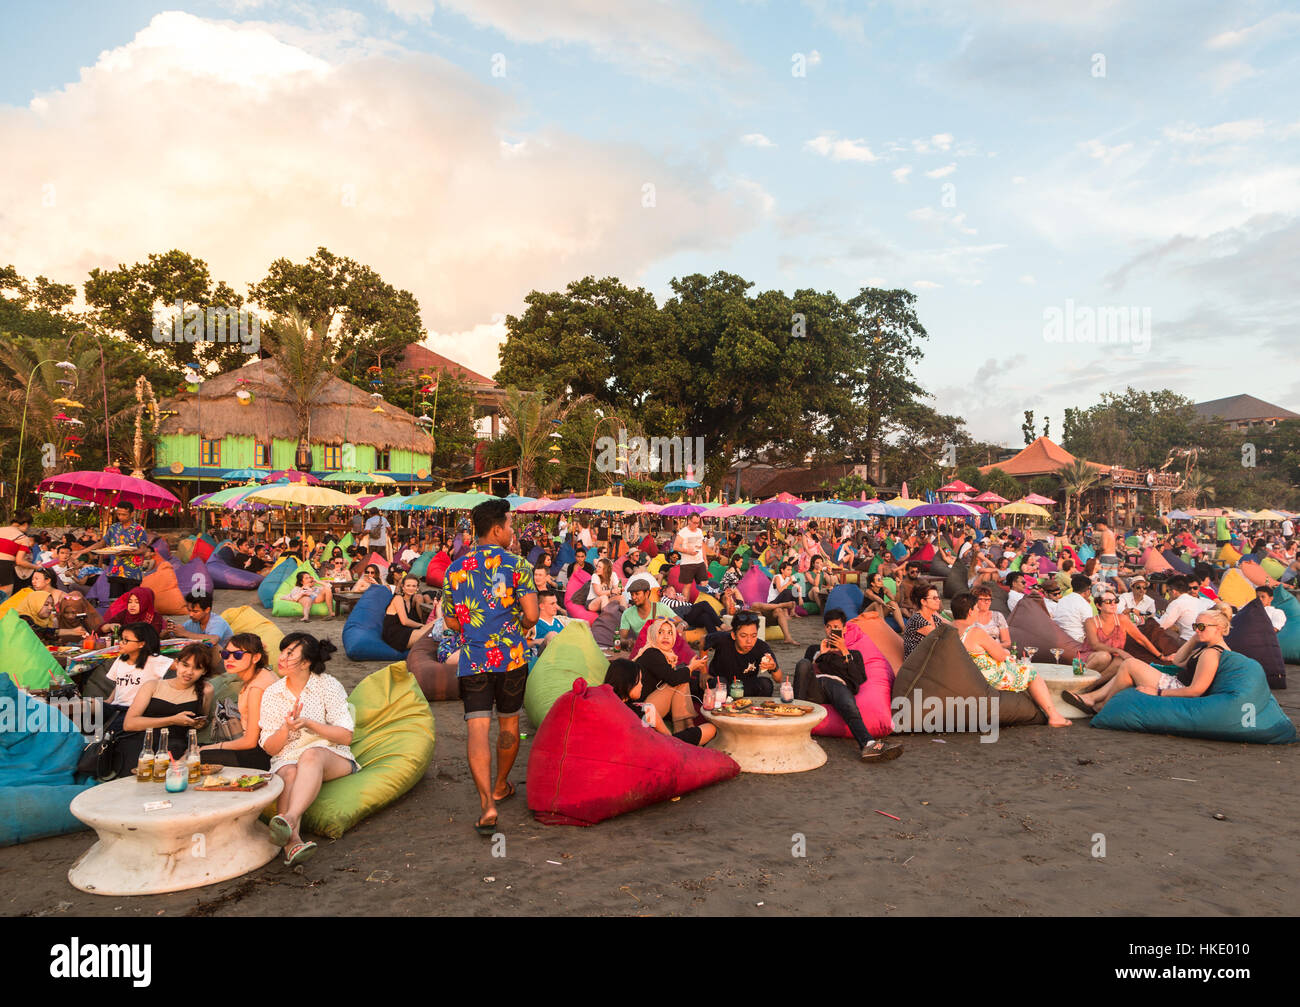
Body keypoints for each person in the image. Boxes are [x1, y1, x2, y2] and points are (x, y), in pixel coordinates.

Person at [442, 499, 537, 836]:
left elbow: (451, 620)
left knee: (477, 729)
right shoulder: (518, 565)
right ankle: (500, 785)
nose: (512, 532)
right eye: (510, 526)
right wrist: (518, 625)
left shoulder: (455, 569)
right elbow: (533, 615)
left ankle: (487, 804)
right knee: (509, 723)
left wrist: (474, 628)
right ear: (497, 530)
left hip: (475, 660)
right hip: (511, 657)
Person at [259, 634, 357, 866]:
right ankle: (293, 844)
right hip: (287, 757)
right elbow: (271, 749)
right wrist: (286, 728)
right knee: (290, 772)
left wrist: (309, 723)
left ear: (305, 663)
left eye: (290, 654)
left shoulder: (327, 685)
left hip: (331, 755)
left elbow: (345, 736)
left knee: (310, 755)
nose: (281, 658)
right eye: (282, 651)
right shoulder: (272, 693)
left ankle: (289, 819)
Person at [1064, 603, 1234, 714]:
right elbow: (1177, 661)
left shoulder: (1212, 654)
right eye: (1195, 626)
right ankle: (1097, 702)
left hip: (1178, 689)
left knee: (1130, 664)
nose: (1197, 630)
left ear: (1218, 628)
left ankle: (1095, 700)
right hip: (1176, 681)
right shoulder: (1207, 647)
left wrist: (1158, 692)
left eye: (1201, 627)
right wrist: (1194, 639)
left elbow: (1196, 690)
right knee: (1128, 665)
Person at [792, 609, 903, 761]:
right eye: (829, 627)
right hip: (815, 687)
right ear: (825, 628)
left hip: (838, 686)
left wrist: (844, 651)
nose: (832, 630)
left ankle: (868, 743)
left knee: (846, 702)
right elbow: (804, 675)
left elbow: (857, 680)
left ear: (844, 629)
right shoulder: (814, 649)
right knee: (803, 663)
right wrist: (821, 656)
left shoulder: (854, 654)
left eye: (836, 627)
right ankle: (794, 729)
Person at [949, 594, 1071, 727]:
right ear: (970, 611)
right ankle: (1054, 715)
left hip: (964, 673)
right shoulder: (975, 632)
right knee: (1031, 673)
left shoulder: (948, 628)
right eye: (976, 608)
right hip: (986, 677)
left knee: (1014, 663)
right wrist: (1006, 654)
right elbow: (1000, 656)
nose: (978, 611)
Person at [116, 642, 217, 776]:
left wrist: (198, 724)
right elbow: (129, 724)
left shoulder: (206, 690)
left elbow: (201, 723)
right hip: (140, 743)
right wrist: (172, 720)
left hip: (175, 747)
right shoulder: (153, 685)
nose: (189, 672)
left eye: (197, 668)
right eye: (185, 665)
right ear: (177, 663)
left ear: (204, 671)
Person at [202, 633, 276, 769]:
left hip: (260, 755)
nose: (229, 660)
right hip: (255, 747)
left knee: (197, 756)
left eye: (237, 655)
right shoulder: (263, 672)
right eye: (225, 654)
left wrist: (211, 748)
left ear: (256, 657)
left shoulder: (257, 688)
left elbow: (250, 742)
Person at [605, 657, 715, 747]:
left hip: (645, 744)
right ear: (628, 683)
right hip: (658, 747)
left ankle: (686, 727)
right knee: (710, 729)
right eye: (639, 682)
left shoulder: (604, 701)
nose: (641, 685)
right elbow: (669, 742)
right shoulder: (645, 710)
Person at [633, 618, 709, 734]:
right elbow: (673, 679)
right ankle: (686, 727)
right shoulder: (652, 654)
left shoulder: (665, 656)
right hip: (642, 713)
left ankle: (683, 728)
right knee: (680, 678)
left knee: (681, 677)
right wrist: (691, 667)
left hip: (650, 708)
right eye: (660, 632)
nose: (666, 636)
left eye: (670, 633)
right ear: (653, 635)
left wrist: (688, 669)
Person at [1078, 588, 1165, 679]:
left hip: (1113, 658)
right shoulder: (1091, 622)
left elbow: (1141, 639)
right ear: (1099, 606)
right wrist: (1118, 651)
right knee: (1104, 656)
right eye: (1108, 601)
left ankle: (1089, 687)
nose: (1113, 604)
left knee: (1121, 662)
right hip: (1093, 657)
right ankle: (1077, 680)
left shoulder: (1122, 619)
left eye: (1115, 601)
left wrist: (1161, 656)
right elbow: (1095, 645)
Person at [77, 503, 151, 598]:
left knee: (130, 602)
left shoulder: (138, 529)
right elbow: (102, 543)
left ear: (132, 514)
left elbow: (143, 550)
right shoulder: (114, 528)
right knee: (114, 602)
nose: (120, 517)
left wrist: (126, 552)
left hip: (132, 574)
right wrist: (83, 551)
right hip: (115, 572)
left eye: (124, 514)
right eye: (119, 514)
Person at [706, 611, 781, 697]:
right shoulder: (722, 639)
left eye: (753, 635)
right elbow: (703, 640)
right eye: (743, 636)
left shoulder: (761, 647)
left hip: (745, 685)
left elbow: (778, 679)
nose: (749, 641)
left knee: (766, 684)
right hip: (722, 684)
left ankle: (755, 709)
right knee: (720, 683)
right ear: (734, 635)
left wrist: (773, 667)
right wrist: (704, 672)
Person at [619, 574, 677, 650]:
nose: (633, 597)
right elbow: (621, 639)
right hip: (644, 649)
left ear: (647, 593)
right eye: (632, 595)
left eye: (637, 594)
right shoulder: (627, 613)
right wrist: (628, 642)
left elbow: (678, 621)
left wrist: (681, 625)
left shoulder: (660, 607)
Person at [383, 574, 429, 652]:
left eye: (414, 586)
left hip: (406, 632)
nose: (411, 588)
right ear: (403, 587)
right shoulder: (398, 598)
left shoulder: (410, 601)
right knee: (430, 633)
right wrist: (422, 625)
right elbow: (404, 621)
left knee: (437, 623)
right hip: (395, 636)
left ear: (417, 588)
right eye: (408, 586)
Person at [1156, 575, 1207, 642]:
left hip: (1189, 641)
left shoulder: (1177, 603)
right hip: (1203, 639)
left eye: (1168, 591)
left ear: (1173, 591)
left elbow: (1162, 625)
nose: (1168, 594)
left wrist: (1151, 617)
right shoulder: (1198, 601)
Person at [902, 583, 945, 658]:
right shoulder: (917, 620)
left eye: (938, 598)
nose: (938, 601)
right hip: (917, 664)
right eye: (934, 598)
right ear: (923, 602)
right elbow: (942, 639)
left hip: (930, 659)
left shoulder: (935, 619)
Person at [1052, 574, 1096, 643]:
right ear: (1087, 590)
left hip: (1058, 638)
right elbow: (1089, 629)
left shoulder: (1062, 600)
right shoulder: (1084, 604)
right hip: (1076, 640)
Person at [673, 512, 709, 587]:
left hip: (699, 561)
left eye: (698, 523)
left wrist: (705, 560)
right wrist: (688, 551)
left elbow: (702, 546)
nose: (696, 525)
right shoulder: (683, 532)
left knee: (705, 583)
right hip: (687, 563)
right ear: (689, 521)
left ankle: (703, 598)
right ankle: (685, 599)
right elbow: (675, 547)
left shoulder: (699, 531)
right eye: (694, 523)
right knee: (687, 586)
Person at [529, 590, 566, 655]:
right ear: (542, 606)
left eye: (556, 603)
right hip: (544, 658)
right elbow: (520, 643)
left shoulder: (560, 620)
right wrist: (536, 641)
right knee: (552, 635)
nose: (556, 606)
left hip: (563, 654)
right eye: (552, 604)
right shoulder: (533, 623)